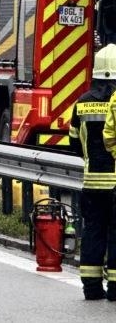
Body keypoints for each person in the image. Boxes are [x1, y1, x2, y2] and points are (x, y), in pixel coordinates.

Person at [74, 44, 116, 300]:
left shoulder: (82, 103)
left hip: (92, 181)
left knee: (93, 231)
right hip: (115, 182)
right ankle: (114, 288)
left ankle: (91, 286)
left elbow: (74, 141)